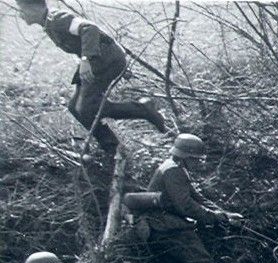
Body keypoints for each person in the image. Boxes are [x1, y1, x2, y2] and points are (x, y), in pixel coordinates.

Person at [15, 0, 166, 154]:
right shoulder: (49, 24)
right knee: (75, 108)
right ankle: (113, 144)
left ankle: (135, 121)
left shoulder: (57, 19)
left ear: (33, 7)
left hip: (103, 59)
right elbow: (84, 40)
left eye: (21, 10)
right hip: (99, 60)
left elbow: (89, 28)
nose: (20, 15)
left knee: (85, 108)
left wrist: (87, 59)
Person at [143, 133, 243, 263]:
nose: (199, 163)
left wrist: (224, 214)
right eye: (196, 159)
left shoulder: (177, 168)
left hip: (169, 222)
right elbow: (186, 206)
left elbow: (197, 198)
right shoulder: (173, 171)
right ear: (186, 157)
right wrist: (215, 217)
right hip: (165, 227)